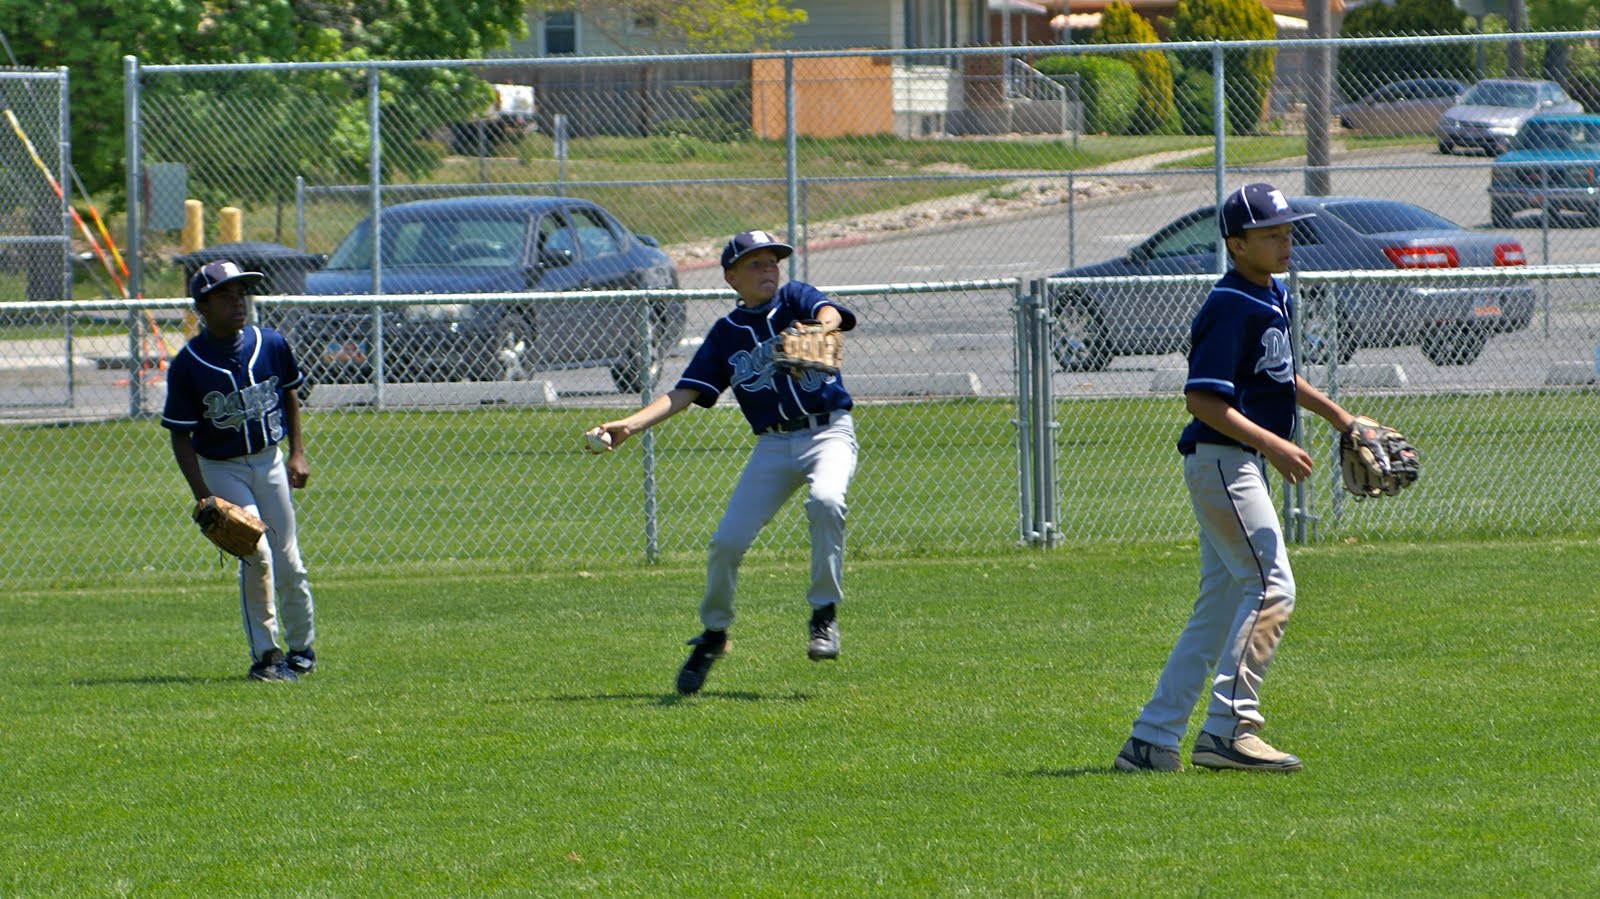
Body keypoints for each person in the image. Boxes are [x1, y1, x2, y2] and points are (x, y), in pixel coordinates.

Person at [1113, 183, 1364, 773]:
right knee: (1272, 587)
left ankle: (1151, 741)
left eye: (1287, 230)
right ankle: (1229, 728)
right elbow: (1201, 398)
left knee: (1222, 605)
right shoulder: (1229, 303)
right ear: (1235, 243)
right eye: (1270, 234)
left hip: (1235, 462)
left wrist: (1341, 418)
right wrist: (1276, 445)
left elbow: (1280, 378)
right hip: (1224, 460)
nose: (1285, 241)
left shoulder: (1272, 294)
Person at [587, 230, 858, 695]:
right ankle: (713, 636)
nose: (768, 268)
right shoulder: (725, 336)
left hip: (828, 430)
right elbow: (686, 391)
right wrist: (630, 425)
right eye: (754, 263)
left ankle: (823, 616)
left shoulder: (795, 300)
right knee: (726, 544)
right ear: (732, 276)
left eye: (773, 260)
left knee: (827, 500)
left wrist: (821, 328)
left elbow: (830, 311)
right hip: (773, 446)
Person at [161, 260, 318, 683]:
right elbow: (180, 436)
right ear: (203, 306)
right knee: (256, 553)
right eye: (226, 295)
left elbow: (290, 395)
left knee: (290, 562)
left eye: (241, 293)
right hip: (222, 468)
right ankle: (266, 656)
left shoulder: (270, 343)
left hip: (269, 460)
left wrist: (297, 453)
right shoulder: (188, 364)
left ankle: (302, 649)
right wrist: (203, 495)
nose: (237, 302)